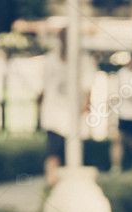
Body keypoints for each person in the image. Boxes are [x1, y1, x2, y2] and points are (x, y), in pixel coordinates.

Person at [40, 32, 93, 186]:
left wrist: (86, 105)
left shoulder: (83, 61)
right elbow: (44, 86)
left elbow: (88, 87)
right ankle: (52, 184)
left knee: (72, 153)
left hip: (73, 117)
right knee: (54, 152)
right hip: (54, 115)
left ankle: (69, 185)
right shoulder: (51, 59)